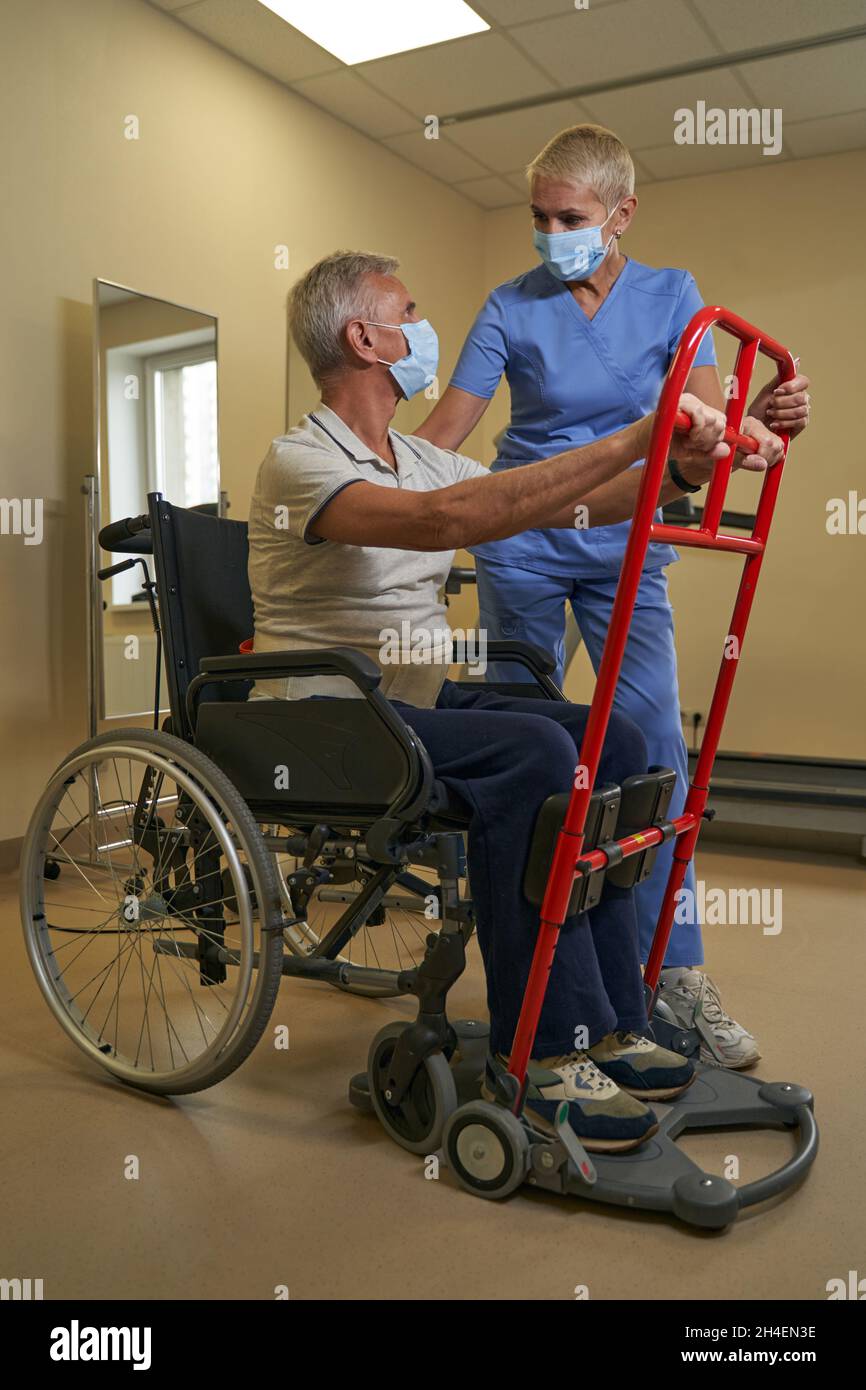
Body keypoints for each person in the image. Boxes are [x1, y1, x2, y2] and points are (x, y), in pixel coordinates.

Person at [247, 251, 782, 1152]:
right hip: (326, 716)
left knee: (610, 741)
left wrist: (681, 467)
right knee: (536, 754)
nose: (424, 327)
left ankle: (609, 1022)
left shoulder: (417, 455)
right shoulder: (297, 460)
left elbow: (548, 508)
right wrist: (635, 435)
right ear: (364, 338)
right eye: (407, 310)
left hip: (408, 703)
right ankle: (542, 1051)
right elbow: (445, 523)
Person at [415, 124, 811, 1068]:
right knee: (534, 751)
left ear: (621, 213)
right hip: (523, 542)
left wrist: (755, 423)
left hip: (629, 540)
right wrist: (364, 471)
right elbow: (442, 438)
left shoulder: (673, 297)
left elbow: (702, 432)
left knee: (655, 755)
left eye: (572, 217)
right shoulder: (510, 305)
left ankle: (671, 974)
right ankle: (541, 961)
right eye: (540, 217)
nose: (552, 233)